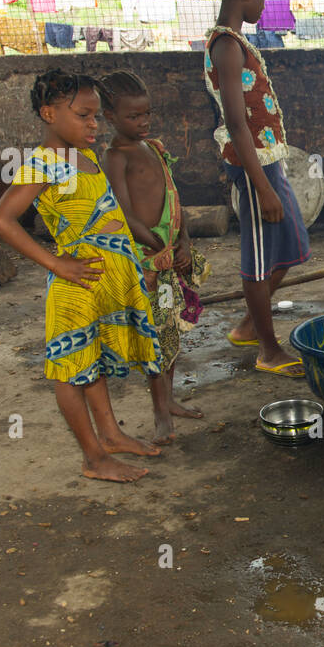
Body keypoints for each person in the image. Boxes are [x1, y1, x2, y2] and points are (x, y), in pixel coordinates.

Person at [0, 69, 162, 483]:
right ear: (49, 114)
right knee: (71, 372)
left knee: (93, 364)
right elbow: (1, 220)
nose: (93, 124)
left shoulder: (82, 158)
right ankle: (93, 457)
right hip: (75, 289)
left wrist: (135, 262)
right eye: (83, 115)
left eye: (97, 116)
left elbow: (109, 216)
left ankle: (111, 435)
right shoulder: (44, 163)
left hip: (102, 282)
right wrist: (56, 263)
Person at [206, 0, 310, 376]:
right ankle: (268, 350)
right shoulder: (227, 45)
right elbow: (235, 123)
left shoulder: (234, 40)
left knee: (293, 245)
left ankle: (251, 323)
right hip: (254, 170)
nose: (264, 7)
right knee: (262, 257)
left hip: (267, 162)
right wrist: (262, 187)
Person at [99, 69, 211, 444]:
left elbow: (173, 199)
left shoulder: (154, 148)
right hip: (148, 261)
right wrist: (161, 249)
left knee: (171, 329)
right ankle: (160, 414)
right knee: (154, 336)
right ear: (110, 117)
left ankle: (170, 400)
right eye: (133, 116)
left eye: (147, 113)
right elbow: (124, 215)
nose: (143, 121)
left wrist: (182, 242)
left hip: (170, 255)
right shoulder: (115, 157)